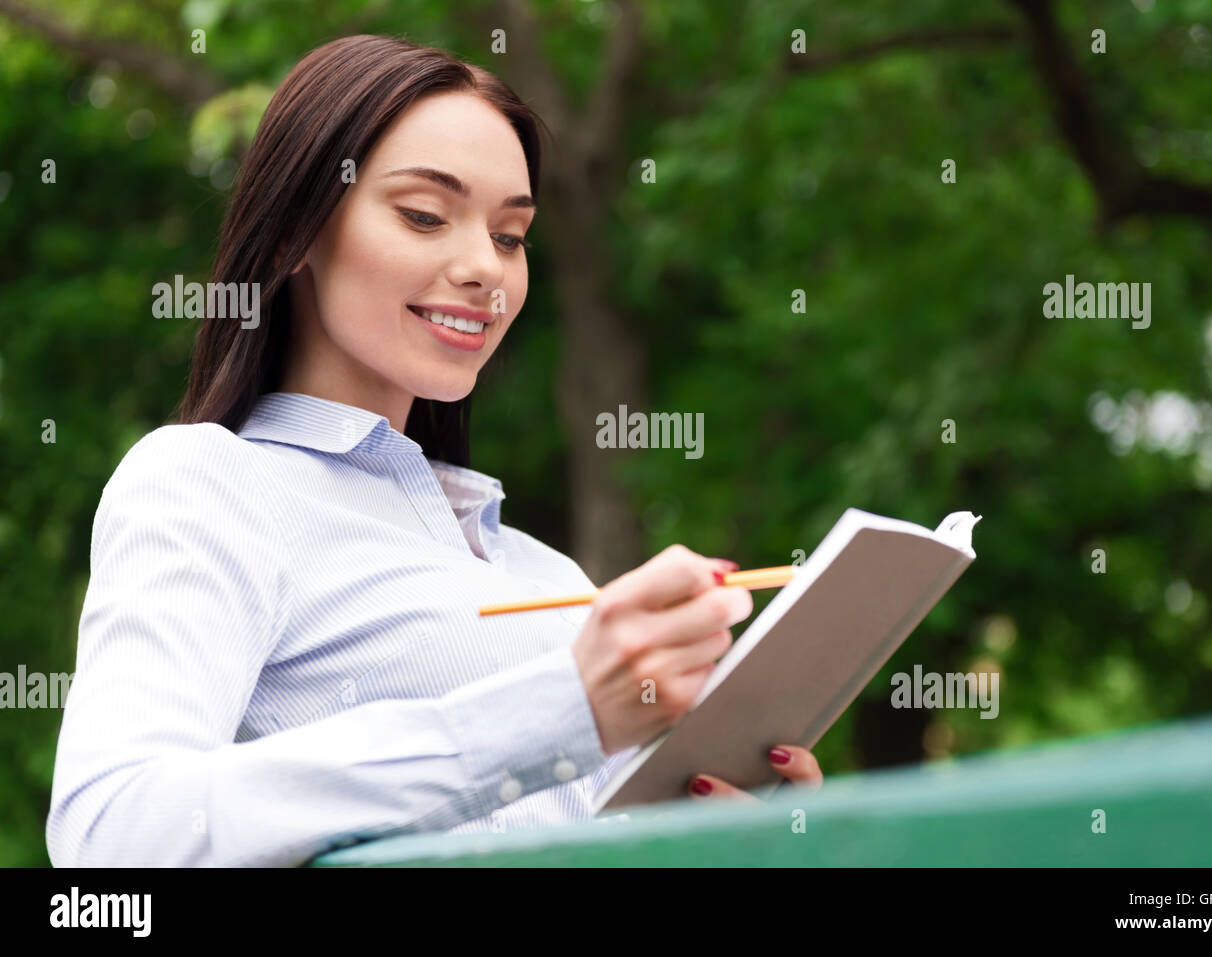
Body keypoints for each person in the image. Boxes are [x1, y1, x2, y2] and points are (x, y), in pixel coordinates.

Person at [46, 34, 821, 868]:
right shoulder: (210, 483)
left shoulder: (553, 580)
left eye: (512, 235)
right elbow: (112, 838)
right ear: (291, 233)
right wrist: (556, 713)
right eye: (424, 215)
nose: (485, 268)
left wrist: (721, 837)